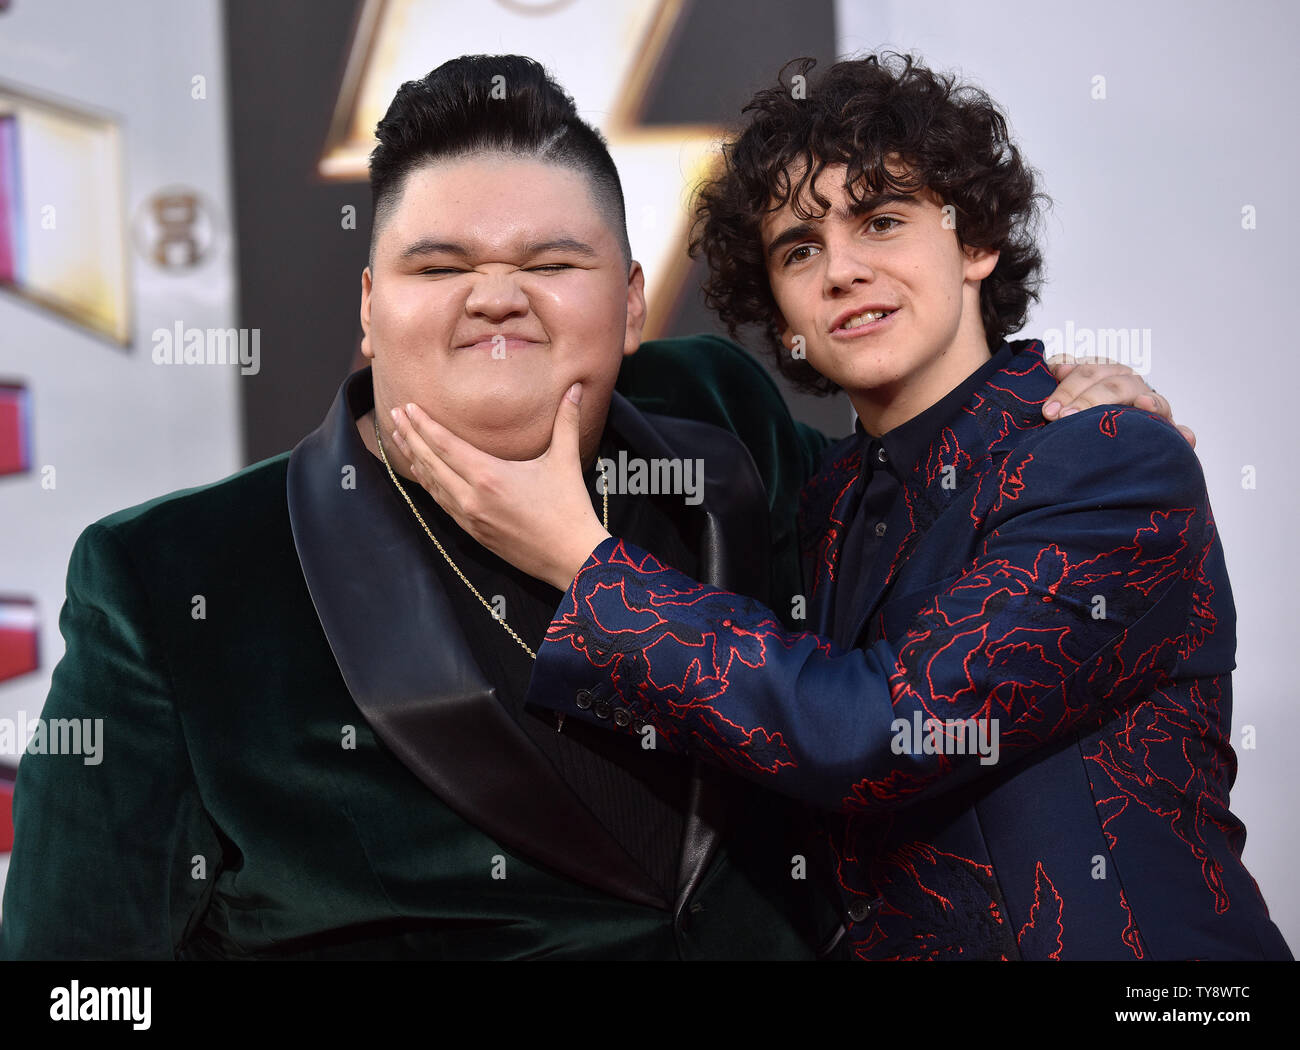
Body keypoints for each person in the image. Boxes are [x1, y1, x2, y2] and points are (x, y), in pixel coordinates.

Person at [390, 53, 1291, 960]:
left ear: (975, 243)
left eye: (883, 221)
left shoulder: (1109, 457)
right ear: (778, 306)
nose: (843, 272)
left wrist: (586, 566)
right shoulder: (822, 500)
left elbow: (886, 735)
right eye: (800, 249)